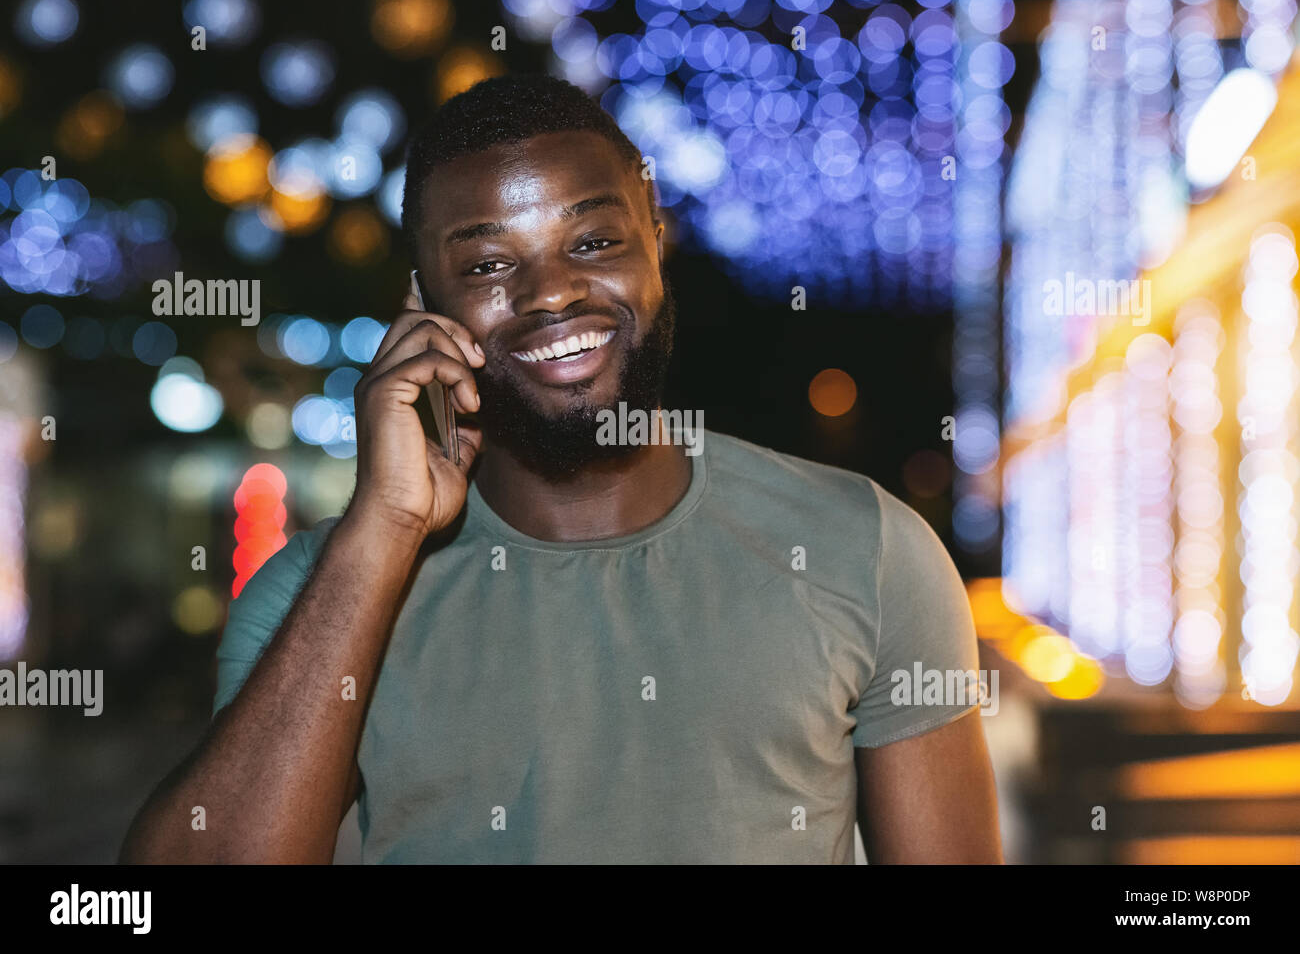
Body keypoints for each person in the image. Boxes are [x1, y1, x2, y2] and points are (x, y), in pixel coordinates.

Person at [121, 74, 1001, 864]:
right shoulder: (317, 593)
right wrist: (380, 532)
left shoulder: (867, 550)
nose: (549, 293)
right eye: (489, 263)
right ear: (423, 304)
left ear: (656, 245)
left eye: (591, 243)